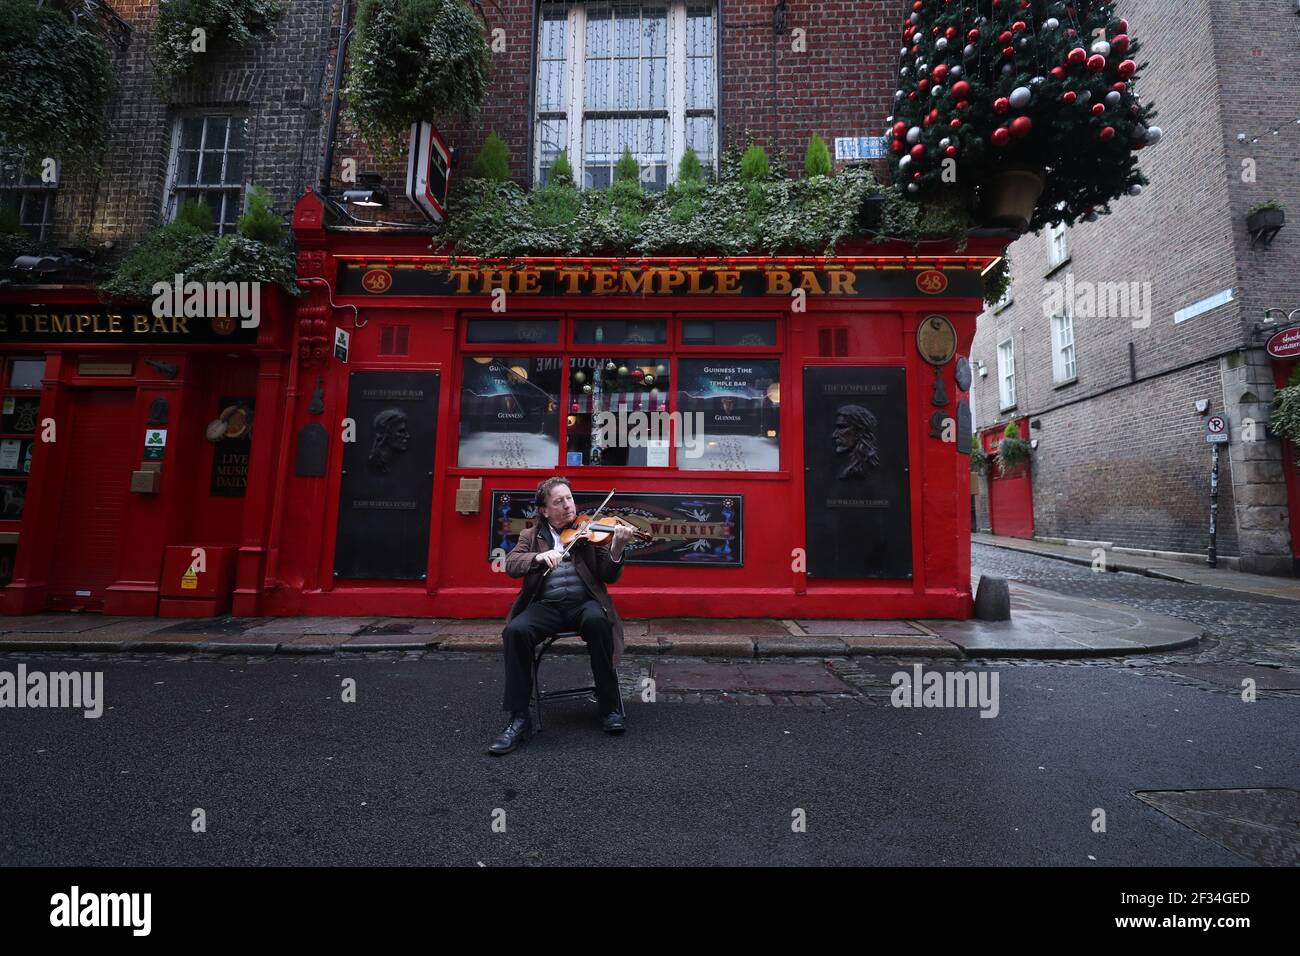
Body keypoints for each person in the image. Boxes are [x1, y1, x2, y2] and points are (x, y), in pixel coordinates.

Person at [488, 477, 634, 756]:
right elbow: (510, 564)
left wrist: (616, 549)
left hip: (584, 603)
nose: (568, 505)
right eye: (559, 501)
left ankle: (610, 706)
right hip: (547, 606)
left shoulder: (588, 531)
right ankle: (519, 719)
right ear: (544, 510)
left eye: (569, 498)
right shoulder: (530, 536)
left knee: (598, 621)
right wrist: (538, 558)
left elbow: (608, 575)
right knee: (515, 631)